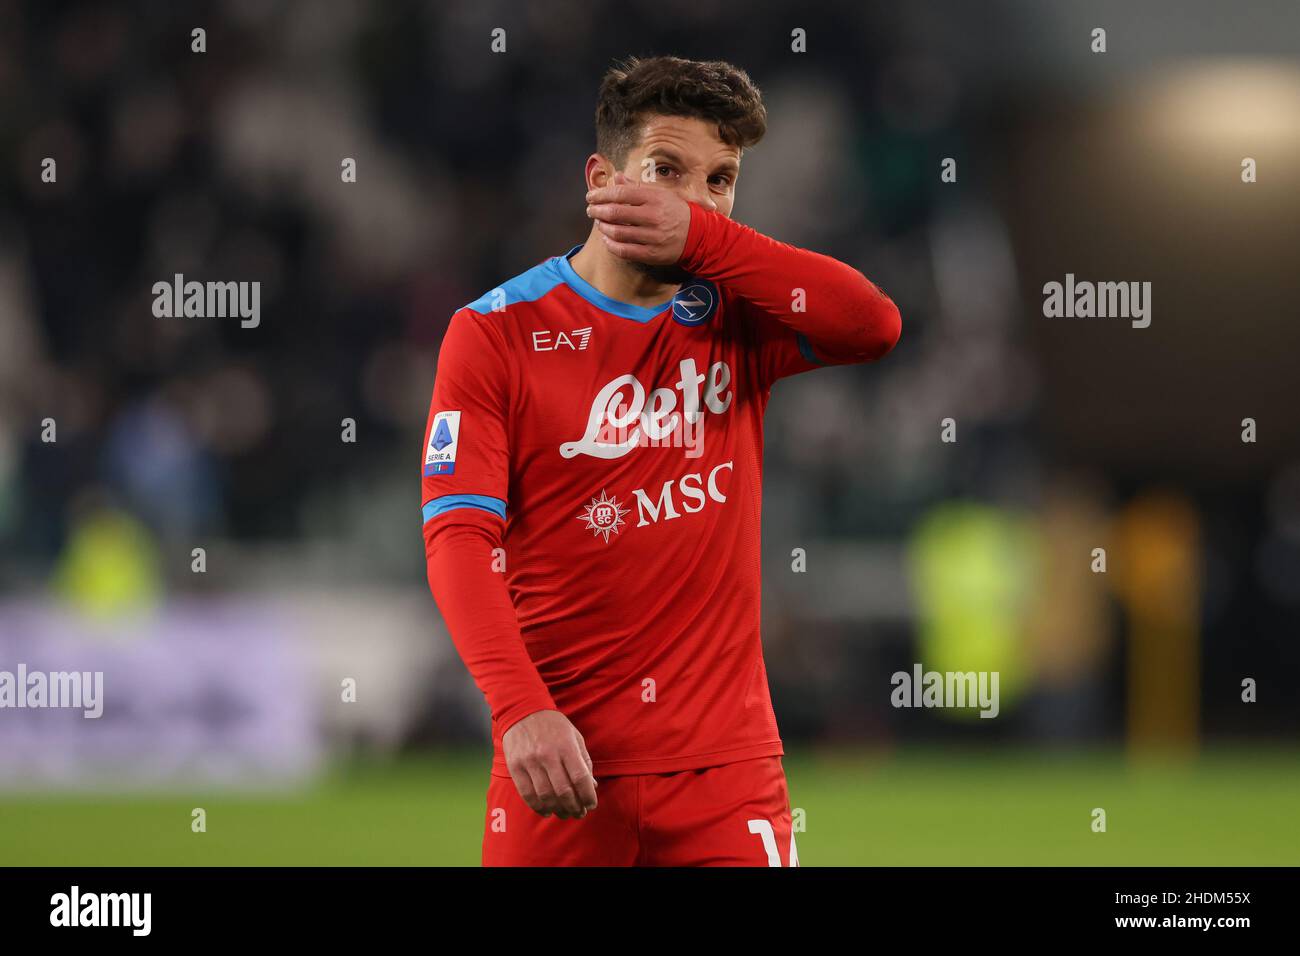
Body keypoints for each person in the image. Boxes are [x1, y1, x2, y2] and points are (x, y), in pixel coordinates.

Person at [421, 55, 901, 866]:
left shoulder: (737, 314)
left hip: (728, 776)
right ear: (602, 177)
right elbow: (461, 539)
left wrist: (711, 238)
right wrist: (519, 711)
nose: (696, 199)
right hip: (561, 767)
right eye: (668, 171)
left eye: (721, 180)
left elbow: (873, 324)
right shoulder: (495, 333)